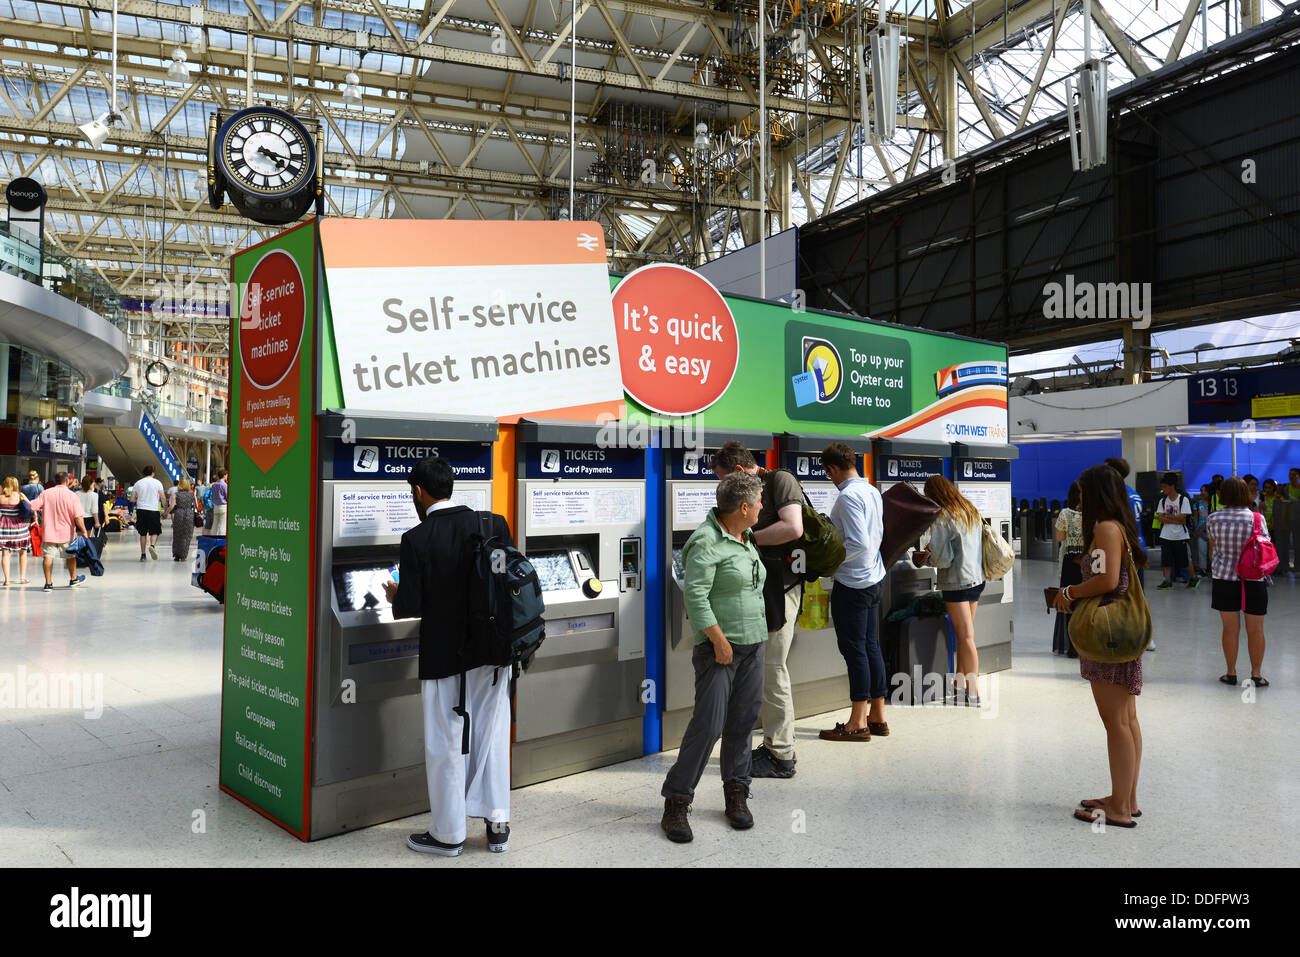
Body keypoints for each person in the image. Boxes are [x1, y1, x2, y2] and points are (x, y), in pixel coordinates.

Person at [382, 456, 514, 856]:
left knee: (446, 742)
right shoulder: (493, 525)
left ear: (419, 492)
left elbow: (408, 604)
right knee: (491, 735)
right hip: (493, 653)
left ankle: (449, 834)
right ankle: (497, 824)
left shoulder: (417, 539)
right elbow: (502, 578)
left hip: (445, 658)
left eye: (412, 493)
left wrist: (393, 594)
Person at [660, 472, 767, 843]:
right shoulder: (705, 542)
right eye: (758, 503)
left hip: (754, 644)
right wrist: (719, 641)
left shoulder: (745, 536)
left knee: (743, 722)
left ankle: (736, 793)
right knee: (708, 725)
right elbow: (696, 596)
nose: (761, 508)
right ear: (743, 507)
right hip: (721, 649)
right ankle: (676, 801)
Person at [1053, 464, 1147, 829]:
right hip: (1120, 630)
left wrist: (1068, 592)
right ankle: (1125, 798)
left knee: (1116, 724)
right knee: (1127, 719)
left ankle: (1120, 808)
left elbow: (1107, 579)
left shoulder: (1106, 528)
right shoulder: (1119, 526)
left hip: (1107, 631)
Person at [710, 441, 804, 779]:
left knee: (773, 669)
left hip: (782, 591)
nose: (721, 488)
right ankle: (776, 742)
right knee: (766, 670)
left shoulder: (780, 481)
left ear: (737, 471)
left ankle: (782, 755)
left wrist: (745, 539)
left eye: (722, 480)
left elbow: (794, 528)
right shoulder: (755, 489)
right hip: (763, 592)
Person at [819, 443, 887, 740]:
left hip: (853, 584)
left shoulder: (847, 498)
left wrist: (829, 561)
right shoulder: (871, 491)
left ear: (832, 469)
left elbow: (858, 542)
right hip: (874, 578)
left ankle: (857, 723)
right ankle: (878, 717)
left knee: (855, 650)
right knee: (871, 646)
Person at [914, 474, 986, 705]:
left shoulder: (944, 516)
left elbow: (943, 559)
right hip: (977, 579)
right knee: (966, 635)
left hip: (956, 583)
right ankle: (958, 683)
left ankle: (972, 692)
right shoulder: (970, 510)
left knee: (965, 637)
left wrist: (926, 557)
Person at [1205, 477, 1271, 689]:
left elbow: (1213, 549)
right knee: (1256, 629)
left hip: (1224, 579)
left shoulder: (1213, 518)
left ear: (1223, 494)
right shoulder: (1257, 519)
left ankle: (1231, 672)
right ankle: (1256, 675)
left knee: (1230, 629)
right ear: (1245, 494)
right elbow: (1265, 547)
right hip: (1254, 578)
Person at [27, 471, 88, 591]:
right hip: (66, 532)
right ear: (67, 481)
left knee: (48, 556)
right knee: (70, 556)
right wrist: (84, 530)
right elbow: (77, 516)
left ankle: (48, 584)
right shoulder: (72, 495)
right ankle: (73, 579)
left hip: (49, 532)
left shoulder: (46, 493)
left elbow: (33, 506)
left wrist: (24, 498)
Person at [1052, 481, 1084, 657]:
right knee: (1086, 600)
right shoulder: (1093, 515)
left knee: (1068, 599)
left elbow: (1060, 537)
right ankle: (1087, 642)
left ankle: (1072, 645)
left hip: (1070, 561)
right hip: (1087, 561)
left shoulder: (1065, 514)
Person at [1155, 472, 1196, 589]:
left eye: (1165, 487)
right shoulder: (1162, 501)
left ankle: (1193, 578)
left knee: (1185, 560)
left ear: (1172, 486)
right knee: (1166, 559)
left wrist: (1167, 517)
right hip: (1165, 535)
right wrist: (1175, 519)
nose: (1163, 490)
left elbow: (1183, 518)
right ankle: (1167, 580)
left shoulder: (1183, 500)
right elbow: (1160, 517)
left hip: (1180, 536)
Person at [0, 477, 33, 585]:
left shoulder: (0, 497)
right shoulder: (19, 495)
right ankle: (22, 577)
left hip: (4, 527)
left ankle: (7, 580)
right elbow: (31, 507)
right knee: (23, 552)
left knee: (5, 554)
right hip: (19, 527)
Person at [131, 466, 165, 561]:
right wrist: (165, 511)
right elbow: (163, 498)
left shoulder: (138, 483)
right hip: (153, 510)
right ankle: (152, 546)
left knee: (143, 533)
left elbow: (132, 499)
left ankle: (143, 555)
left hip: (141, 510)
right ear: (153, 473)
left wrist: (139, 498)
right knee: (155, 531)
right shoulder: (157, 482)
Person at [166, 478, 198, 562]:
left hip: (179, 513)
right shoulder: (192, 494)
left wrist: (165, 513)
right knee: (187, 535)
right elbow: (197, 506)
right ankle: (183, 556)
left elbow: (172, 506)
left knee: (177, 534)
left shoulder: (176, 494)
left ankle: (176, 555)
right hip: (189, 514)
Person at [1191, 485, 1213, 580]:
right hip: (1201, 530)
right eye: (1201, 490)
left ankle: (1213, 570)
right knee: (1202, 550)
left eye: (1205, 491)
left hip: (1212, 530)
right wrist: (1197, 529)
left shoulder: (1213, 504)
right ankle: (1203, 570)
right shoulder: (1197, 504)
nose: (1203, 493)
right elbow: (1196, 518)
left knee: (1212, 551)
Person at [210, 468, 229, 535]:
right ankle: (221, 540)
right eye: (227, 475)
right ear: (224, 475)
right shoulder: (224, 485)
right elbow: (227, 496)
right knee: (222, 525)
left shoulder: (214, 485)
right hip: (223, 506)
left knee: (215, 524)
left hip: (216, 506)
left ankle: (213, 537)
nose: (227, 476)